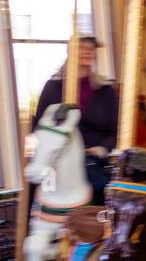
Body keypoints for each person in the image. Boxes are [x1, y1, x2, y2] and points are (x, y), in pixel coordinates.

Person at [33, 34, 119, 203]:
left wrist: (101, 148)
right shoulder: (53, 87)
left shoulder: (105, 90)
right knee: (41, 183)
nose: (87, 52)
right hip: (58, 157)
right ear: (70, 51)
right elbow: (40, 126)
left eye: (91, 48)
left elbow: (115, 130)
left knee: (102, 187)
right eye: (82, 48)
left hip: (92, 157)